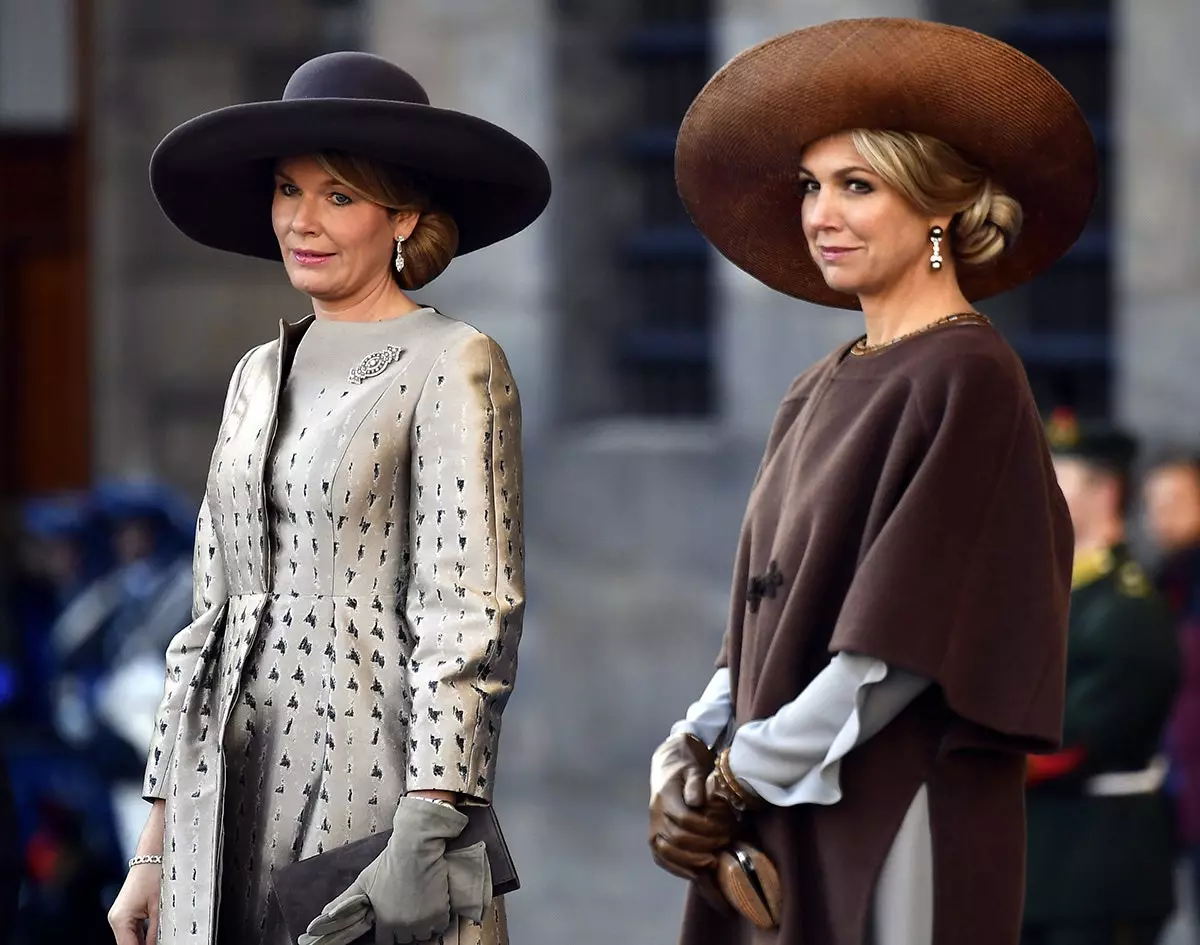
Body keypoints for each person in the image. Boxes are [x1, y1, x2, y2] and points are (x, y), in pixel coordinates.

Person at [650, 18, 1096, 945]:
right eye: (813, 186)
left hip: (896, 811)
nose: (821, 212)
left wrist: (731, 778)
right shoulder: (817, 384)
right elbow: (758, 625)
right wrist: (682, 754)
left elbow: (897, 654)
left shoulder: (969, 377)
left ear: (938, 206)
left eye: (859, 185)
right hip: (781, 795)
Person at [105, 51, 549, 945]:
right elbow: (203, 623)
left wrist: (428, 824)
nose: (301, 221)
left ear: (405, 217)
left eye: (339, 196)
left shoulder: (455, 361)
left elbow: (469, 613)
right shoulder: (255, 373)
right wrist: (154, 849)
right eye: (286, 189)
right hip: (221, 803)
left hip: (372, 798)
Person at [1020, 414, 1179, 945]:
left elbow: (1061, 747)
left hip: (1099, 873)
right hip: (1044, 870)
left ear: (1105, 492)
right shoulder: (1056, 596)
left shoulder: (1127, 609)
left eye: (1057, 477)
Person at [1143, 451, 1200, 912]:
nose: (1163, 515)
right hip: (1175, 786)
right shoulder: (1161, 579)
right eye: (1154, 503)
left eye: (1177, 499)